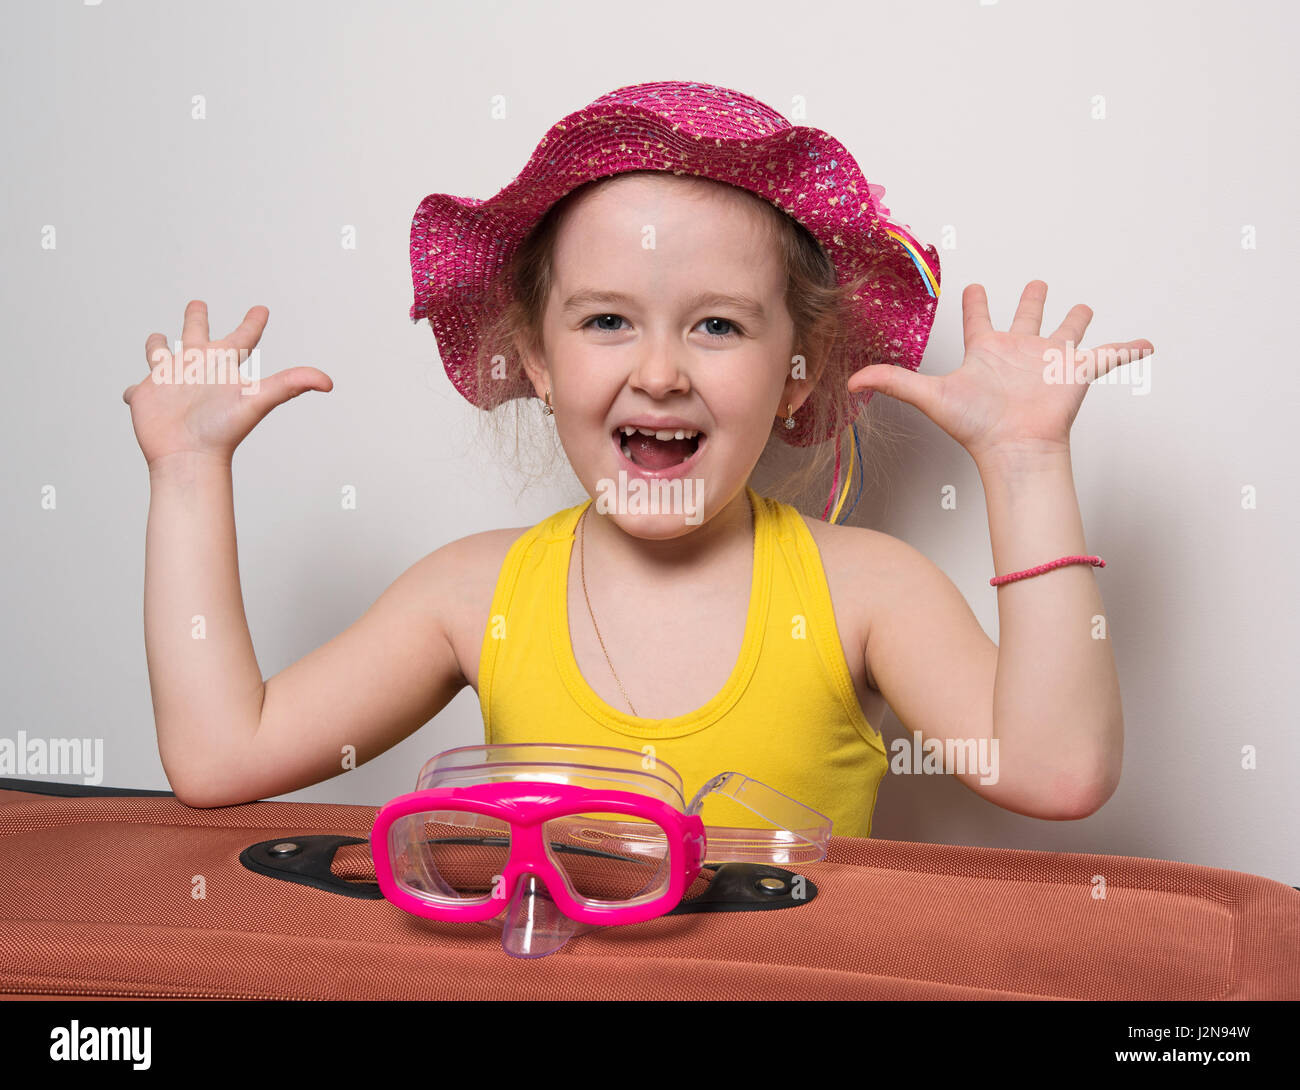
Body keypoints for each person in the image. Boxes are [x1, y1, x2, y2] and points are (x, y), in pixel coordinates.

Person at [123, 81, 1152, 838]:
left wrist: (1024, 465)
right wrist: (184, 473)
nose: (659, 371)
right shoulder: (472, 591)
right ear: (532, 354)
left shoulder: (865, 589)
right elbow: (220, 756)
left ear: (800, 373)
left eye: (716, 326)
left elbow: (1057, 772)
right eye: (608, 319)